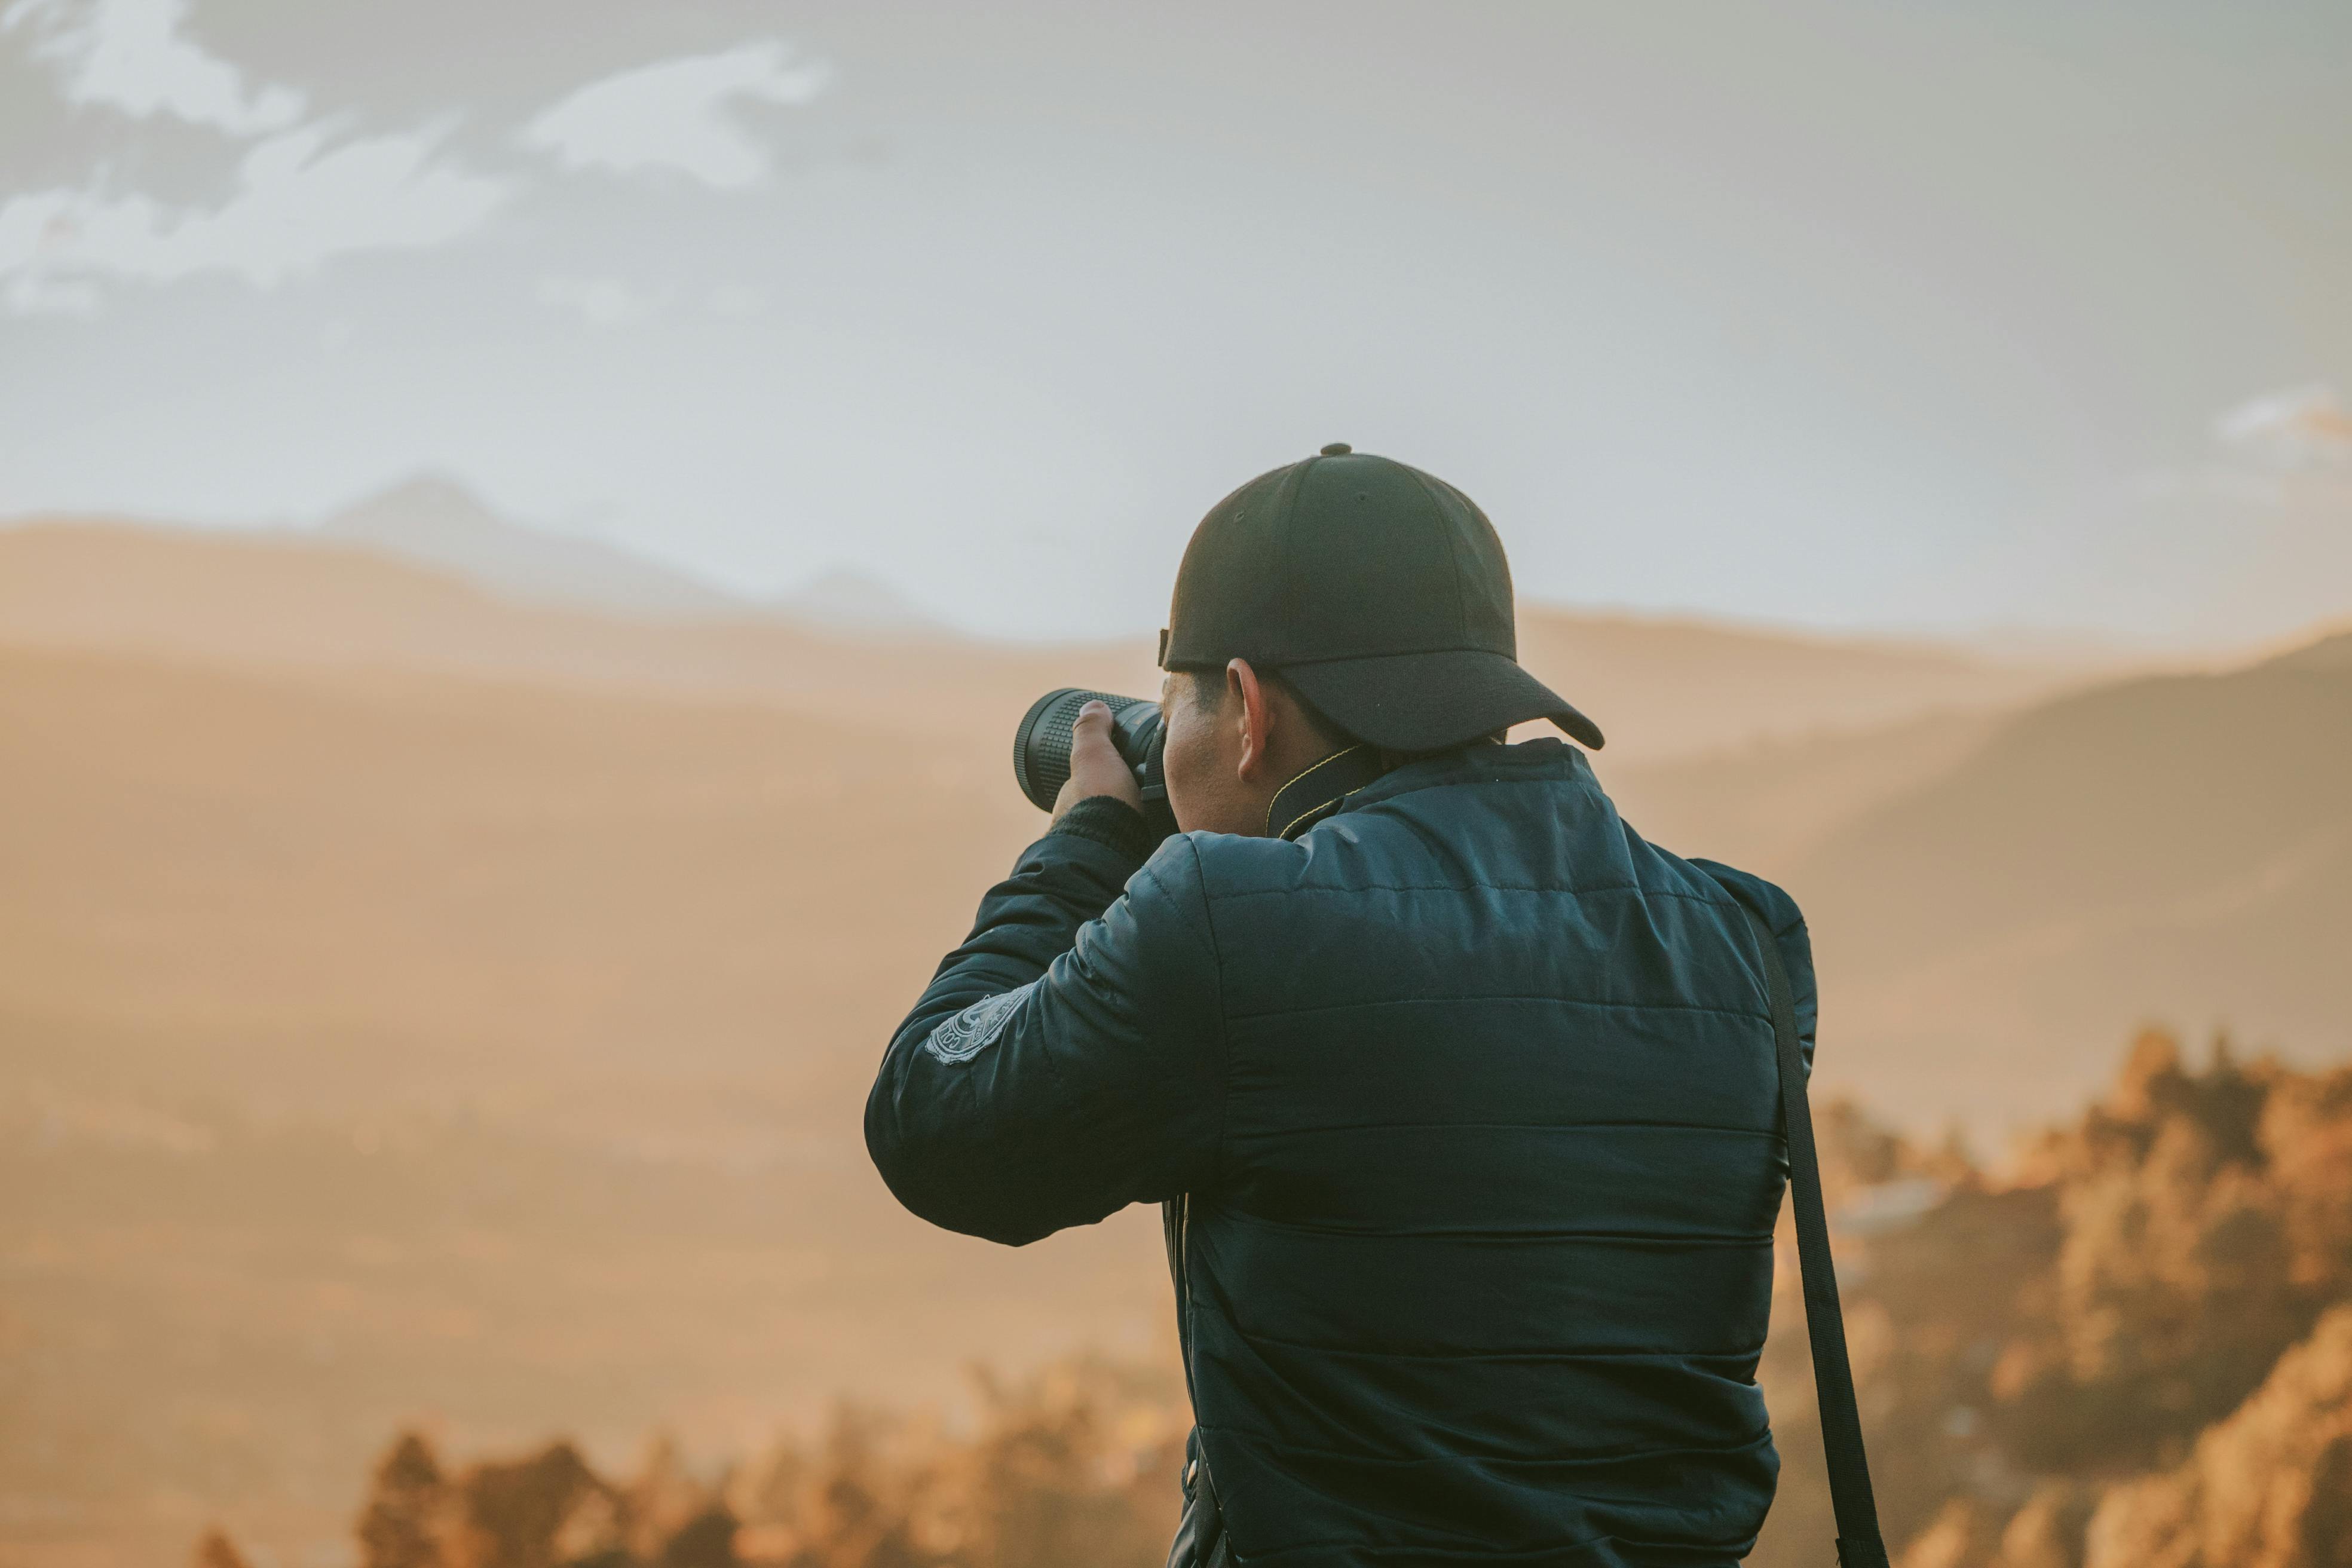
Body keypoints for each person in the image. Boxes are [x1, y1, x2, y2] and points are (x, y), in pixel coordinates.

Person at [865, 444, 1815, 1567]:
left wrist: (1088, 841)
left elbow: (935, 1119)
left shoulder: (1230, 924)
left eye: (1181, 704)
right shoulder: (1745, 940)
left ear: (1252, 713)